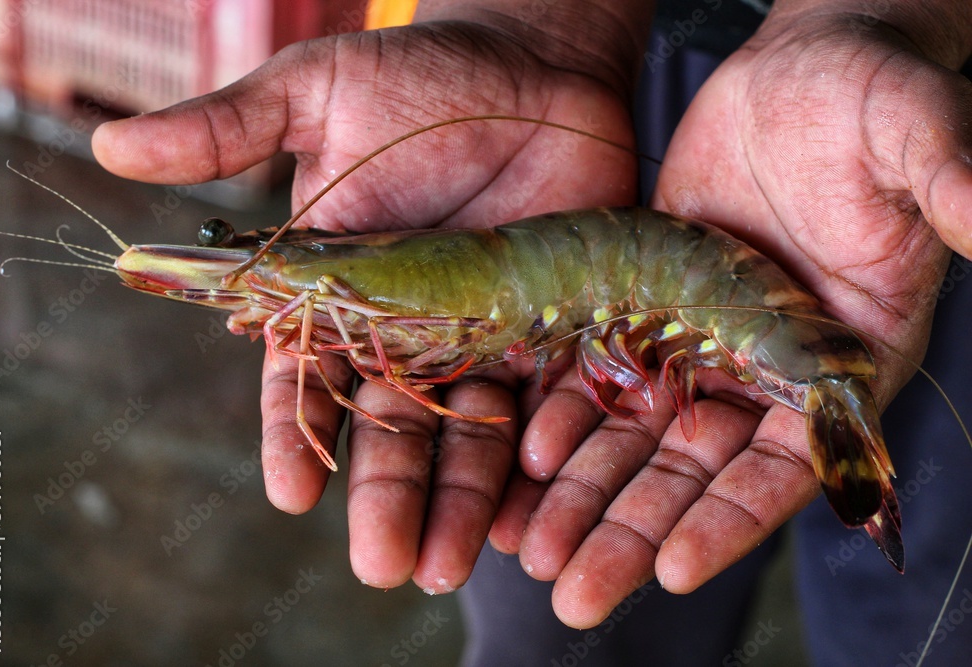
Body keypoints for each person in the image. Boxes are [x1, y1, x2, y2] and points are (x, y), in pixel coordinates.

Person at [92, 0, 972, 663]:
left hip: (827, 174)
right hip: (627, 84)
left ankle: (841, 429)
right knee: (569, 626)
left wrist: (880, 11)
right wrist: (538, 21)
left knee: (918, 621)